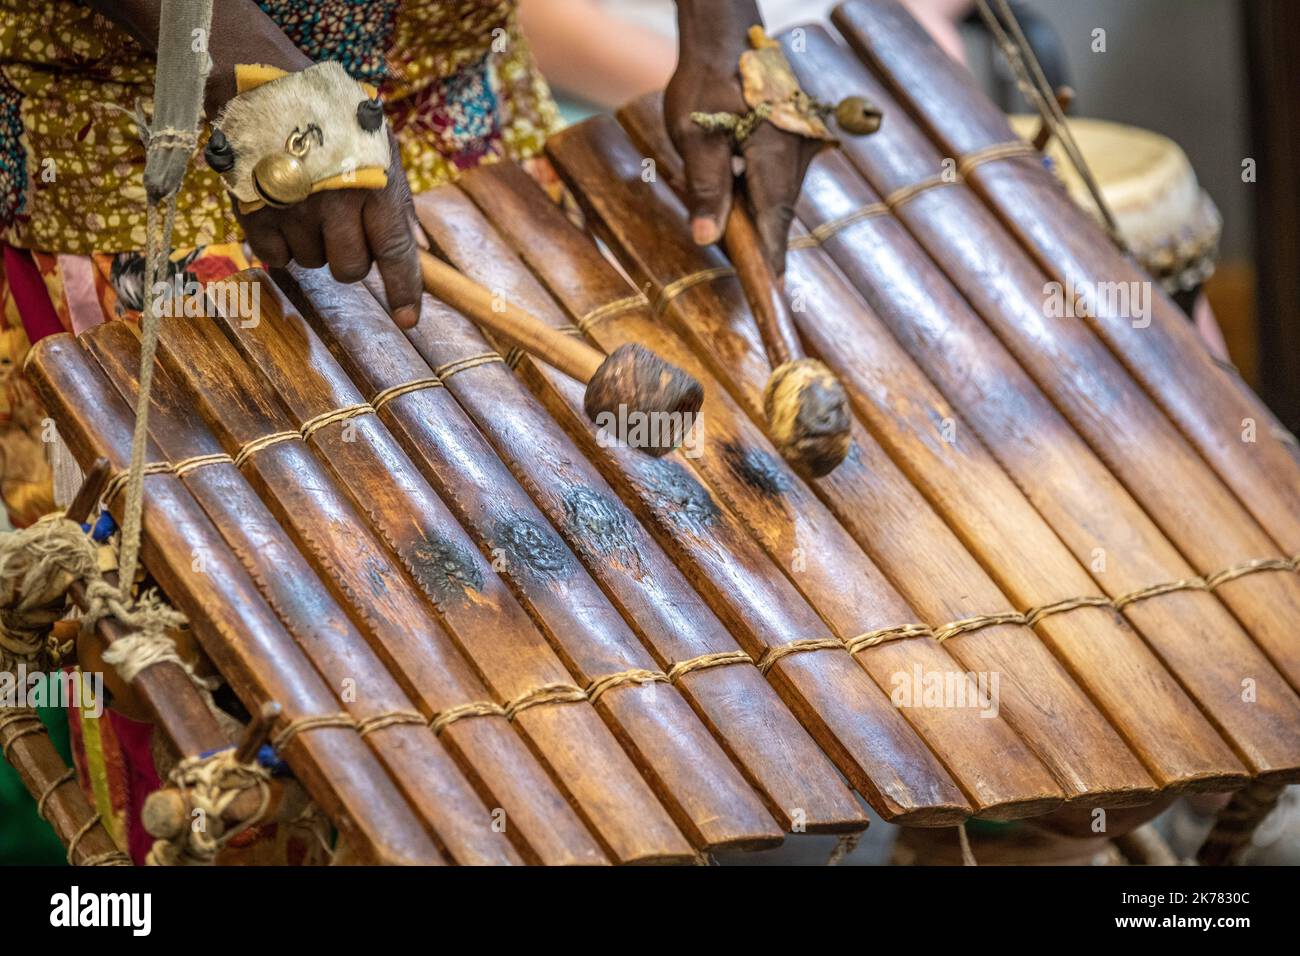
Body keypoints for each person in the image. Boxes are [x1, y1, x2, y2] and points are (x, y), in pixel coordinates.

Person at [0, 0, 824, 863]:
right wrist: (256, 80)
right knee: (304, 753)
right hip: (170, 223)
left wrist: (723, 31)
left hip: (475, 162)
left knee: (569, 708)